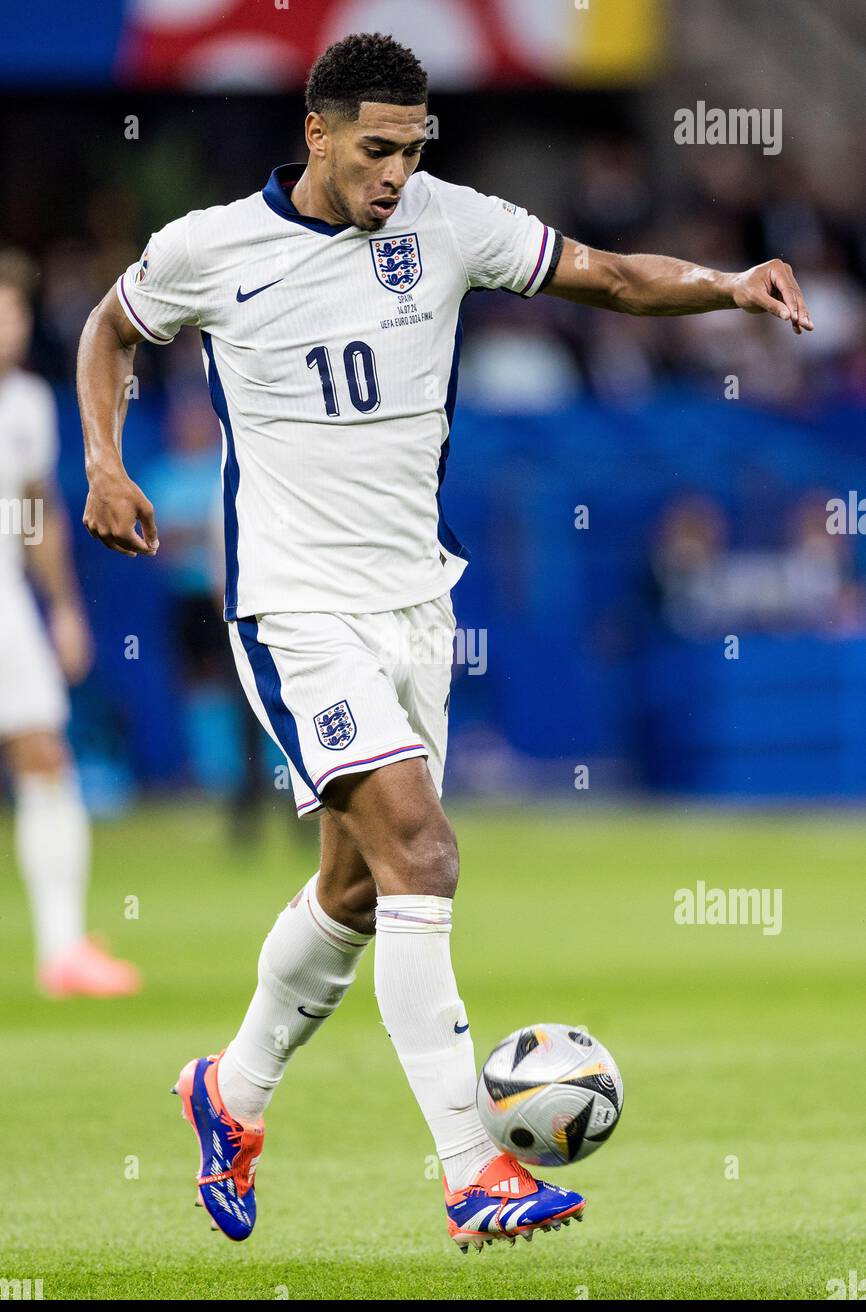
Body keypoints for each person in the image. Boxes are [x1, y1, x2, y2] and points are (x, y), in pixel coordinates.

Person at [76, 33, 813, 1247]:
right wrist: (103, 465)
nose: (396, 173)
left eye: (415, 148)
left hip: (416, 605)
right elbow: (110, 329)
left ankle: (232, 1091)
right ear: (314, 133)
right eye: (376, 149)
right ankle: (472, 1170)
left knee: (358, 886)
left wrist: (725, 284)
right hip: (295, 605)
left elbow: (612, 279)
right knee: (422, 850)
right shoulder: (212, 248)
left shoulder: (446, 221)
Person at [0, 249, 140, 998]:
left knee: (45, 755)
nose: (9, 325)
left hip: (6, 606)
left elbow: (35, 515)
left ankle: (63, 949)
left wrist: (61, 611)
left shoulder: (24, 404)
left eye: (16, 312)